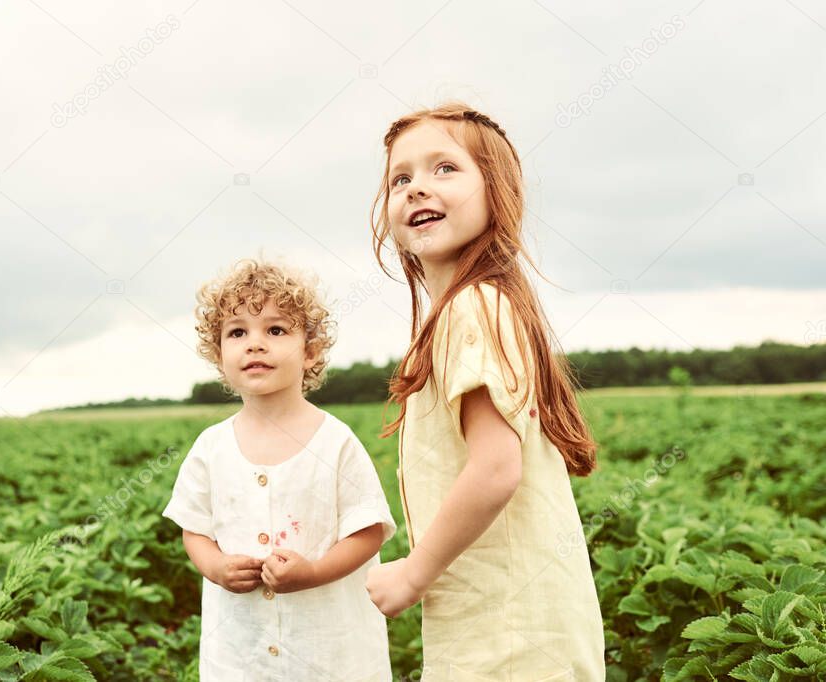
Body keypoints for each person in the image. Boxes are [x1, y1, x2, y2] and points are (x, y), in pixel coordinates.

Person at [363, 102, 606, 681]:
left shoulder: (472, 308)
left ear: (497, 194)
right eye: (402, 178)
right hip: (515, 626)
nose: (418, 187)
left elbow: (496, 468)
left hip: (510, 641)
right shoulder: (480, 307)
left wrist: (412, 573)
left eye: (445, 168)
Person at [162, 257, 397, 681]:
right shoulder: (211, 448)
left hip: (330, 654)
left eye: (275, 330)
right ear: (220, 355)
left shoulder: (336, 441)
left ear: (309, 352)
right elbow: (194, 528)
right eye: (237, 332)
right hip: (241, 652)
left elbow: (369, 531)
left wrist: (312, 572)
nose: (255, 343)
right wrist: (215, 566)